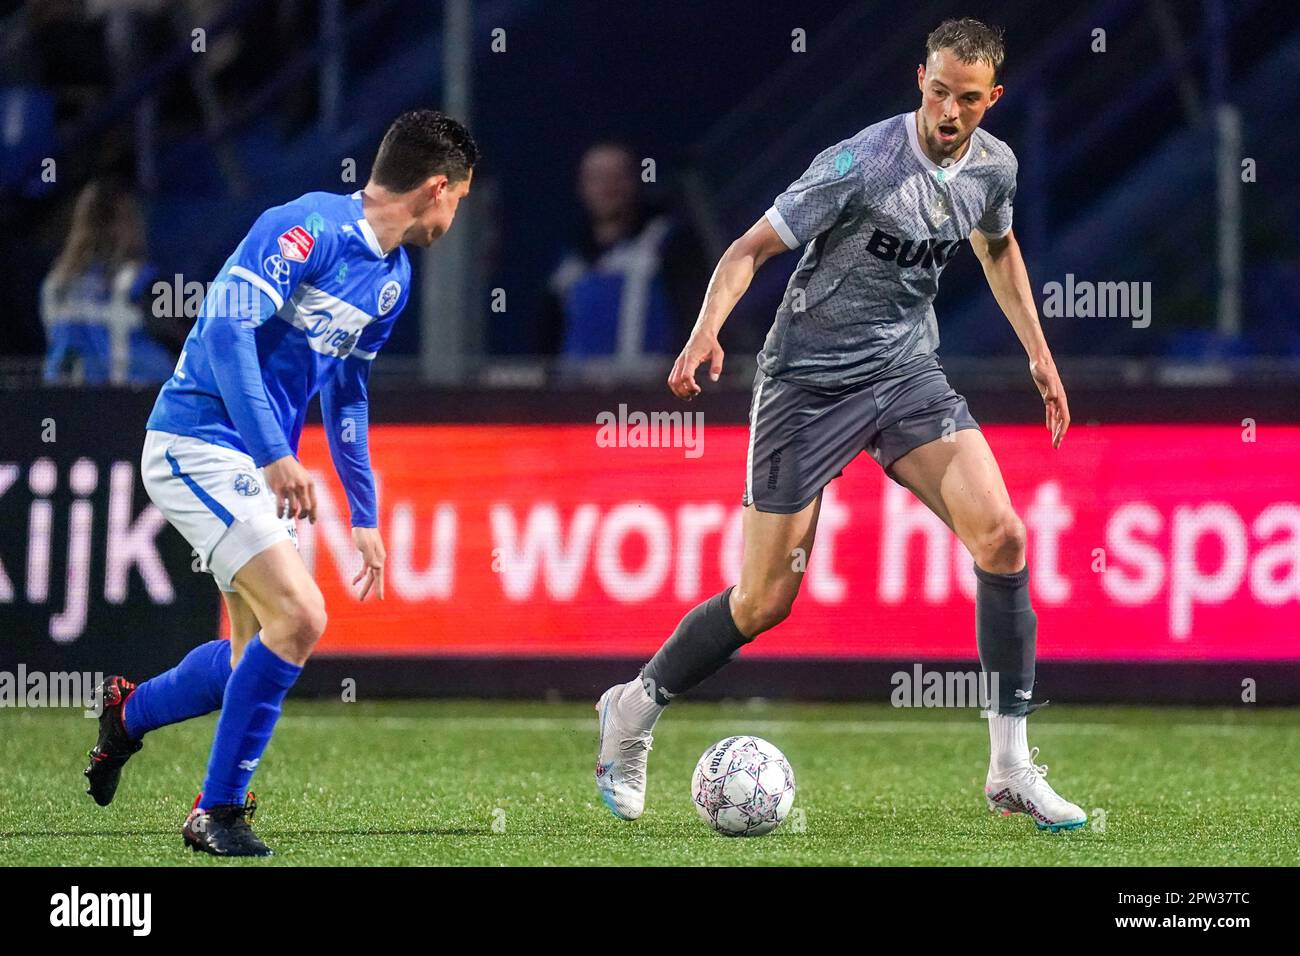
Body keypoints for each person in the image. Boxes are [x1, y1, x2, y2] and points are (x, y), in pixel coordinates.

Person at [594, 18, 1087, 832]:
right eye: (938, 91)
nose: (950, 112)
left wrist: (1038, 352)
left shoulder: (994, 166)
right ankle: (634, 708)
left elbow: (997, 246)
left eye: (969, 98)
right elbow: (749, 250)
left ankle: (1010, 768)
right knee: (763, 602)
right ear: (918, 79)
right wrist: (707, 328)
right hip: (808, 386)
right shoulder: (862, 163)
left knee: (1002, 538)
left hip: (905, 376)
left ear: (992, 98)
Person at [82, 110, 478, 856]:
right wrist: (272, 451)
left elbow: (349, 390)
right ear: (435, 188)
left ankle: (127, 716)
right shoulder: (303, 228)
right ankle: (217, 812)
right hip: (196, 441)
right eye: (460, 197)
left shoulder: (391, 279)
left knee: (250, 652)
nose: (456, 214)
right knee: (301, 617)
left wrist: (364, 510)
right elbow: (228, 330)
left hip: (259, 463)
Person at [544, 140, 708, 371]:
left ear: (636, 181)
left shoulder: (670, 248)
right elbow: (547, 344)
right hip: (578, 400)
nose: (608, 187)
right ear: (582, 187)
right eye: (598, 178)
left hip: (652, 398)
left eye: (617, 176)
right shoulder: (567, 267)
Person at [40, 180, 174, 385]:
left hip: (66, 405)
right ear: (130, 222)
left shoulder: (55, 284)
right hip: (136, 402)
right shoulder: (145, 283)